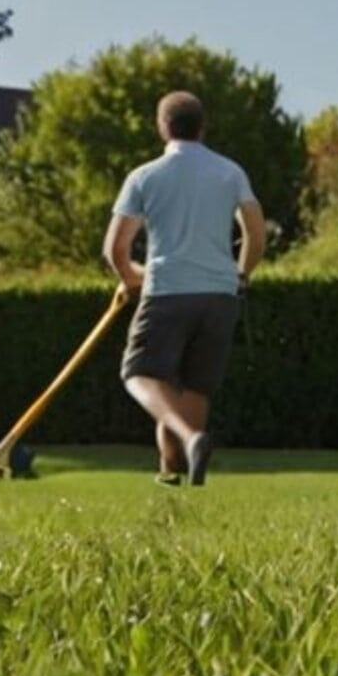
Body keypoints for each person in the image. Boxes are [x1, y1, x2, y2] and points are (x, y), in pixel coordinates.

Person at [101, 91, 267, 486]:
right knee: (192, 388)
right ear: (202, 126)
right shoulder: (230, 172)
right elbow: (255, 234)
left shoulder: (144, 176)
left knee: (137, 375)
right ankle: (174, 477)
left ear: (162, 126)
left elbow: (115, 249)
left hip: (168, 290)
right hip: (221, 296)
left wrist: (131, 278)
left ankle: (192, 438)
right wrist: (241, 275)